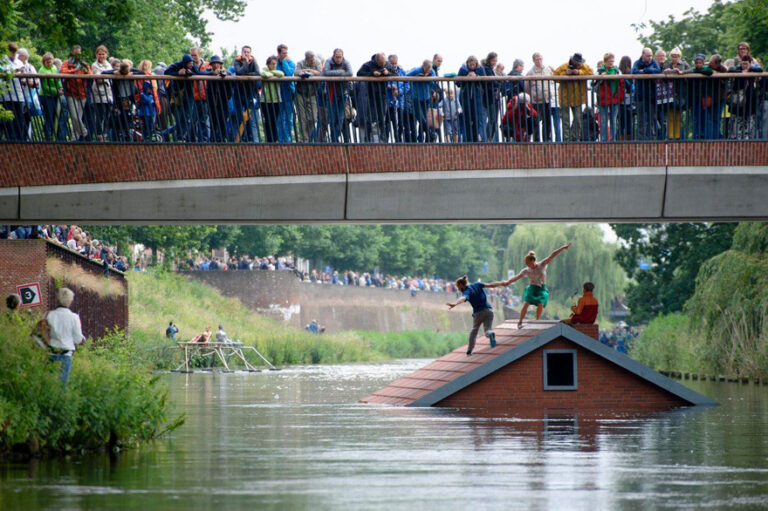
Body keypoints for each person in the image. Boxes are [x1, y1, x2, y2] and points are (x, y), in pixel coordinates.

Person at [507, 243, 571, 328]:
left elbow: (552, 255)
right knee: (526, 303)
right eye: (526, 263)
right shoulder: (526, 270)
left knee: (540, 303)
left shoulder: (542, 264)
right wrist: (508, 282)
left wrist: (563, 248)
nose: (527, 265)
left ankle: (536, 321)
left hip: (541, 288)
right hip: (532, 288)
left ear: (533, 261)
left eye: (528, 263)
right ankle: (520, 322)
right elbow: (517, 277)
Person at [446, 275, 508, 355]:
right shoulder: (477, 284)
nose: (458, 289)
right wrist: (502, 283)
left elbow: (463, 298)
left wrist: (455, 303)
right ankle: (490, 334)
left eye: (458, 287)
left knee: (474, 330)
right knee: (487, 330)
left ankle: (469, 349)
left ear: (461, 285)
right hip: (489, 310)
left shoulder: (466, 291)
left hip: (478, 313)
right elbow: (491, 285)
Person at [45, 288, 85, 383]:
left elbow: (41, 334)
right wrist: (83, 340)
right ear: (70, 301)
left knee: (49, 383)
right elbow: (78, 340)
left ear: (57, 299)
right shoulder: (74, 317)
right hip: (65, 355)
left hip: (49, 354)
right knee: (62, 385)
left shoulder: (48, 315)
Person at [553, 53, 593, 141]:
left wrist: (578, 72)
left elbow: (591, 73)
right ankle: (566, 139)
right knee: (565, 121)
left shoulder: (584, 67)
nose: (579, 65)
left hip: (578, 98)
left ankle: (575, 138)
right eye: (577, 63)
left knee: (578, 119)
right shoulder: (563, 66)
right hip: (565, 98)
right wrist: (565, 74)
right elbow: (554, 76)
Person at [60, 45, 91, 141]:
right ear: (72, 53)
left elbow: (90, 74)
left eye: (79, 53)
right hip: (71, 93)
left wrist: (86, 71)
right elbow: (62, 72)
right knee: (74, 116)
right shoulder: (66, 63)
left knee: (77, 118)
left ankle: (74, 138)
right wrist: (74, 70)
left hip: (82, 93)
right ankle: (84, 132)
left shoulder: (84, 63)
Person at [322, 49, 353, 143]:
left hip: (343, 94)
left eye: (340, 57)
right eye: (337, 57)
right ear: (333, 56)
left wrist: (335, 73)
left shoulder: (346, 62)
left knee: (340, 118)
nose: (339, 59)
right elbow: (325, 73)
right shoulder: (328, 61)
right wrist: (341, 72)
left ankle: (335, 138)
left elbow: (350, 73)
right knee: (332, 118)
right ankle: (334, 139)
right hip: (331, 93)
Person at [632, 48, 662, 141]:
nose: (650, 58)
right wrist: (649, 71)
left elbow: (658, 71)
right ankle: (641, 139)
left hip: (651, 96)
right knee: (641, 119)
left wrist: (645, 71)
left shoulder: (654, 62)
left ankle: (650, 138)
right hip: (640, 96)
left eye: (651, 55)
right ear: (643, 55)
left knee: (651, 119)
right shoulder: (637, 62)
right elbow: (634, 71)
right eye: (648, 56)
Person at [233, 45, 261, 143]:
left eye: (248, 52)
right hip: (239, 95)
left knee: (253, 120)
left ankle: (255, 142)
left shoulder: (254, 61)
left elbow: (258, 73)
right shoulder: (237, 61)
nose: (246, 54)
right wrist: (245, 62)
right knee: (240, 118)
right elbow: (239, 72)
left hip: (251, 94)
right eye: (244, 52)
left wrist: (246, 75)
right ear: (242, 52)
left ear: (250, 53)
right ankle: (238, 141)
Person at [662, 47, 691, 140]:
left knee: (678, 116)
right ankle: (670, 137)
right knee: (670, 116)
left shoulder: (684, 64)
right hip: (669, 94)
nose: (674, 58)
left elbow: (691, 71)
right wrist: (665, 72)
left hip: (681, 93)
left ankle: (677, 137)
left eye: (677, 56)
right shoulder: (667, 64)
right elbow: (661, 74)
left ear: (680, 56)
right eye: (673, 56)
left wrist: (681, 72)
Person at [294, 51, 322, 142]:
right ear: (306, 59)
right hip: (300, 93)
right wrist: (301, 73)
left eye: (313, 59)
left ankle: (307, 136)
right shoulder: (300, 63)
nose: (313, 61)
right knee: (302, 118)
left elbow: (321, 73)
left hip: (313, 93)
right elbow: (296, 72)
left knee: (313, 118)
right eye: (311, 60)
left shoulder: (317, 63)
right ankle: (304, 139)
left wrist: (309, 71)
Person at [526, 53, 555, 142]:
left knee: (547, 120)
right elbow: (526, 87)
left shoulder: (548, 70)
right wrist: (531, 98)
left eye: (540, 59)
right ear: (533, 60)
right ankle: (536, 139)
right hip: (536, 101)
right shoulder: (530, 72)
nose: (539, 61)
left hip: (547, 99)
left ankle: (548, 139)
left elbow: (553, 81)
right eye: (537, 59)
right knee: (536, 121)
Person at [596, 53, 623, 142]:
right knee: (603, 120)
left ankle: (613, 139)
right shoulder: (600, 71)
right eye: (609, 61)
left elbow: (622, 81)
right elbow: (594, 84)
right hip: (603, 98)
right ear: (605, 61)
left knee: (613, 119)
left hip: (614, 97)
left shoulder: (617, 71)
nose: (611, 63)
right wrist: (601, 77)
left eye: (612, 61)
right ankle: (603, 140)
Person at [38, 52, 62, 141]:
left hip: (54, 95)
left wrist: (60, 88)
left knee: (54, 115)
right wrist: (56, 91)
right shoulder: (42, 70)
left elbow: (57, 81)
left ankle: (52, 133)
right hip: (46, 95)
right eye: (47, 61)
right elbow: (44, 87)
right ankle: (47, 135)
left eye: (50, 61)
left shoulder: (54, 68)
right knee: (48, 115)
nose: (49, 63)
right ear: (44, 62)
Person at [261, 56, 285, 143]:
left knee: (274, 120)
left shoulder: (278, 71)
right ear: (268, 64)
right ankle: (269, 140)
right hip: (265, 101)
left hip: (276, 100)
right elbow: (263, 74)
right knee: (267, 120)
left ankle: (274, 139)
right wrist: (273, 73)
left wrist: (271, 73)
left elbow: (281, 74)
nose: (274, 65)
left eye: (275, 64)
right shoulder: (264, 69)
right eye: (272, 64)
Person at [276, 44, 296, 143]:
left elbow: (288, 73)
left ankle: (287, 141)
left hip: (288, 92)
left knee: (288, 118)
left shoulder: (290, 62)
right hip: (278, 93)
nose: (286, 55)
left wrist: (284, 61)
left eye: (286, 53)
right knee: (280, 119)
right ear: (279, 53)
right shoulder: (274, 62)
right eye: (283, 53)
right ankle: (280, 140)